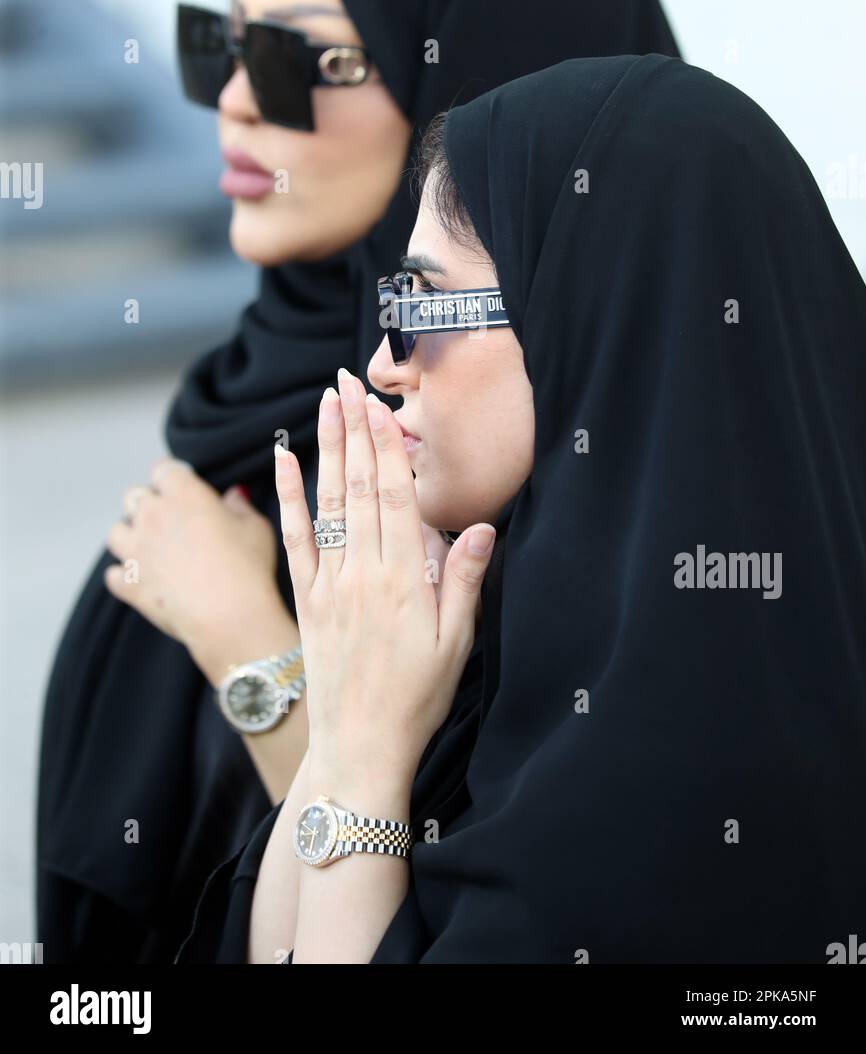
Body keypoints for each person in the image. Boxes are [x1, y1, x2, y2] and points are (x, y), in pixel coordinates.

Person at [35, 0, 680, 963]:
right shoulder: (249, 397)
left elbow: (454, 918)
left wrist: (257, 658)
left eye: (300, 61)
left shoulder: (543, 478)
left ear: (475, 76)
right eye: (220, 47)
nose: (234, 100)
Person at [177, 53, 866, 963]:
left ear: (586, 320)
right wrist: (350, 707)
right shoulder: (511, 639)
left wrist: (367, 742)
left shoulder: (668, 789)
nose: (385, 362)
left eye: (421, 303)